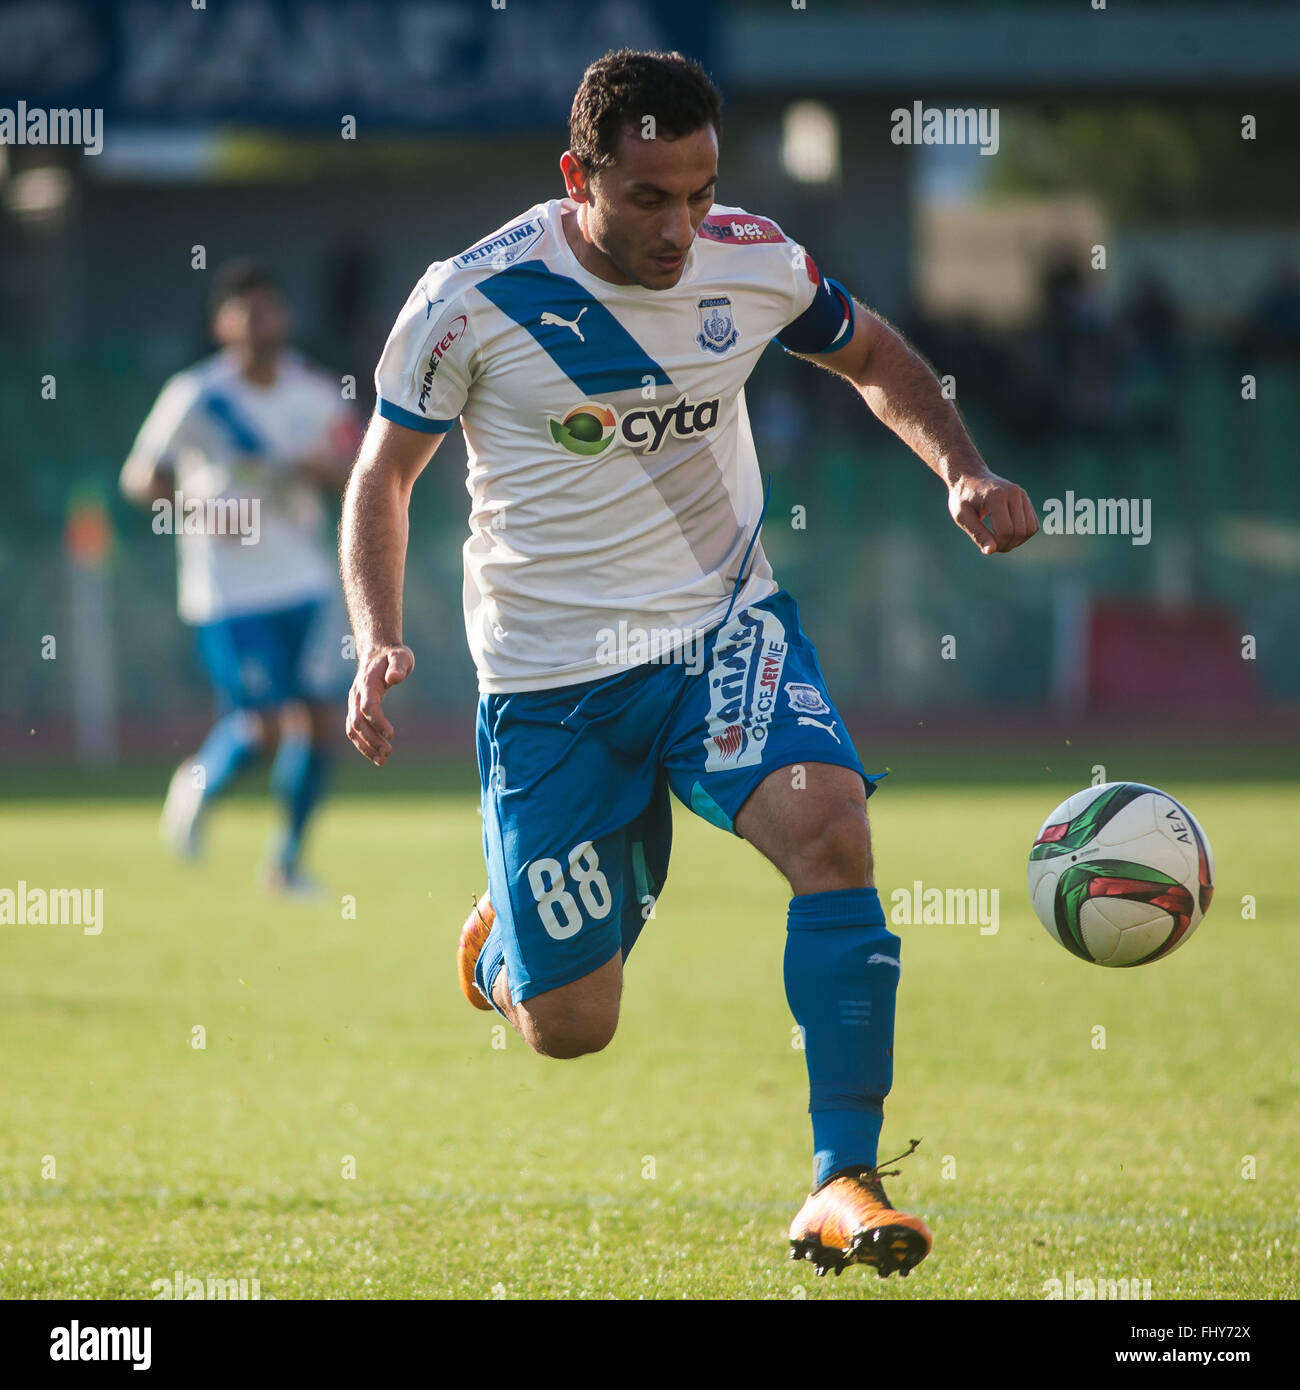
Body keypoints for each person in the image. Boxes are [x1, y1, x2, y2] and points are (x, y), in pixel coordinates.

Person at [340, 50, 1037, 1277]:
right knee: (573, 1028)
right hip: (549, 685)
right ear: (579, 175)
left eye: (700, 192)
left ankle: (840, 1176)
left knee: (831, 830)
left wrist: (961, 468)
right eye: (650, 198)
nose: (681, 228)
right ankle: (511, 944)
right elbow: (382, 477)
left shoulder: (754, 257)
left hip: (721, 628)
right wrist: (376, 634)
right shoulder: (472, 297)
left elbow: (874, 356)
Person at [120, 260, 356, 893]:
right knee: (266, 725)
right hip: (228, 589)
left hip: (303, 581)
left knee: (319, 723)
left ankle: (285, 865)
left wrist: (321, 468)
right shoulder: (197, 395)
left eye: (269, 308)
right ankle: (199, 781)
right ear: (223, 322)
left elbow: (355, 470)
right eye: (245, 310)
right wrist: (195, 508)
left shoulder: (315, 390)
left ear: (286, 316)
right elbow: (141, 478)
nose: (259, 322)